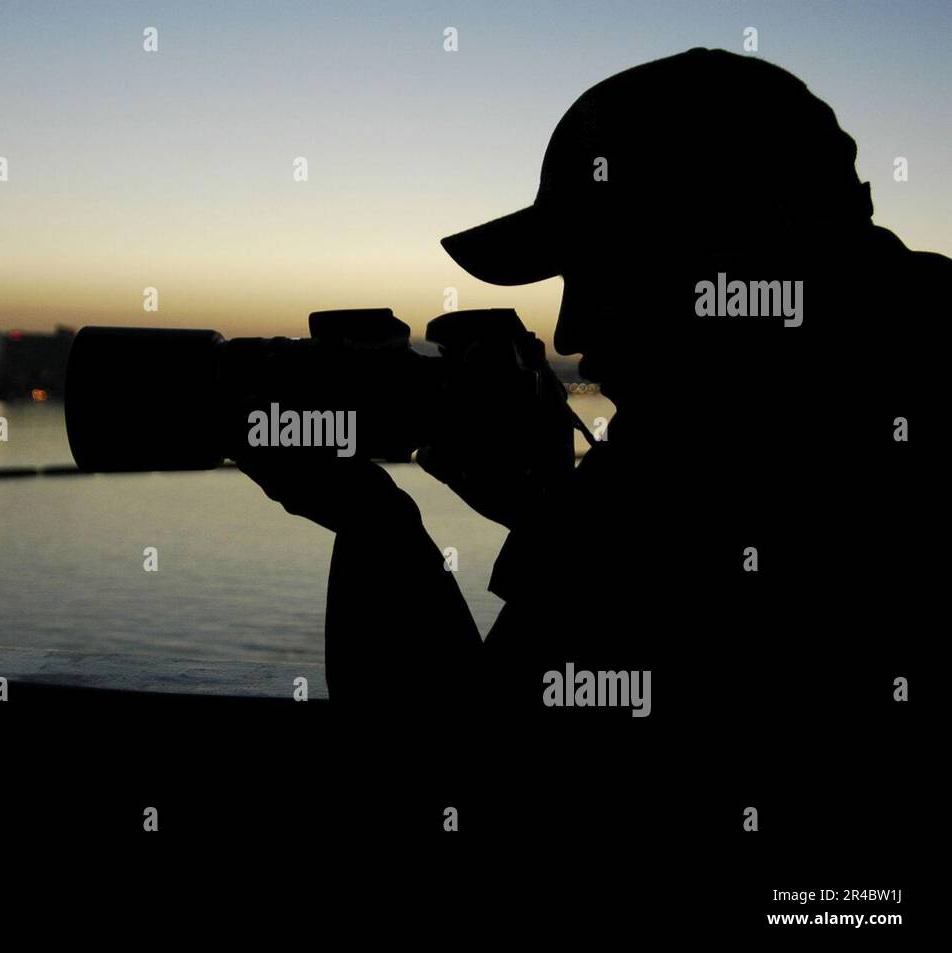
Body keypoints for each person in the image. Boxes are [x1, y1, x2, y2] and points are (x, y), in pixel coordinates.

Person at [238, 48, 944, 774]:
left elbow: (472, 770)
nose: (572, 329)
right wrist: (550, 509)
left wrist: (373, 522)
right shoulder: (828, 390)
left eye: (605, 270)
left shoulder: (739, 451)